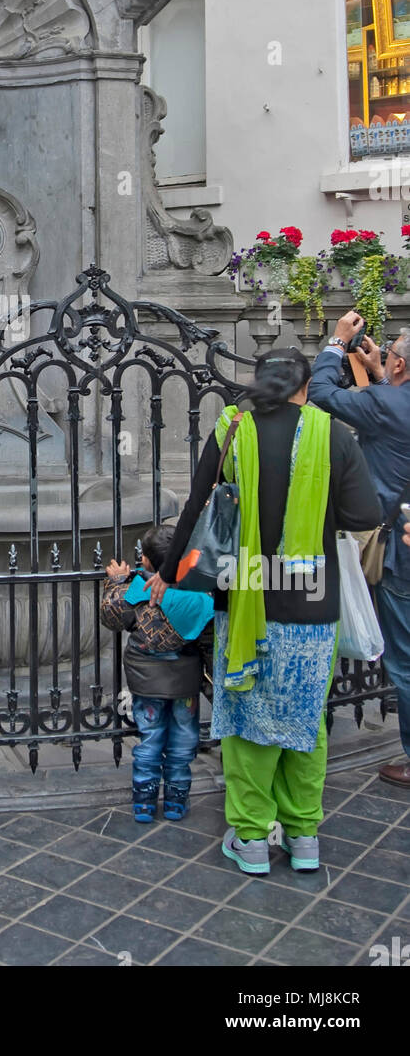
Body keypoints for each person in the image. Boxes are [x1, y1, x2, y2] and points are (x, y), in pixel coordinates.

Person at [146, 348, 381, 874]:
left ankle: (252, 838)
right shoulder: (332, 434)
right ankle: (303, 836)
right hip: (313, 604)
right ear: (304, 388)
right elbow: (364, 513)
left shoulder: (232, 429)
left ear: (260, 384)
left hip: (245, 599)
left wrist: (167, 574)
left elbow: (195, 508)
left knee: (249, 724)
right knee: (306, 722)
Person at [307, 316, 410, 788]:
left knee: (404, 660)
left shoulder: (387, 403)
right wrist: (380, 374)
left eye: (390, 354)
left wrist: (337, 341)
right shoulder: (389, 397)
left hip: (400, 550)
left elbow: (322, 392)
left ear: (400, 364)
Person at [105, 525, 213, 823]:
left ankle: (144, 802)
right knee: (183, 739)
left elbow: (112, 616)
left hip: (146, 682)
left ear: (145, 560)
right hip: (185, 682)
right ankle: (176, 800)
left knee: (150, 738)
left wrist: (117, 581)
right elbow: (208, 639)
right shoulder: (198, 595)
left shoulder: (137, 591)